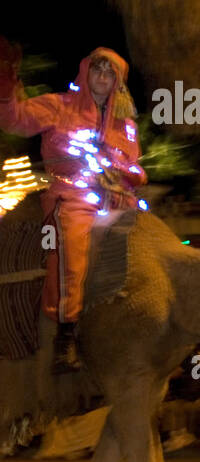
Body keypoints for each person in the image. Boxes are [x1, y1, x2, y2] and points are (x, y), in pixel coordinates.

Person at [0, 41, 147, 372]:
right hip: (72, 195)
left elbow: (137, 169)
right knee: (71, 246)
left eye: (110, 73)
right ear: (86, 70)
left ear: (117, 82)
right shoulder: (58, 106)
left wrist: (124, 170)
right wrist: (7, 89)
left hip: (118, 200)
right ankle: (65, 334)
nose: (102, 76)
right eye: (98, 68)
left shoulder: (126, 125)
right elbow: (15, 120)